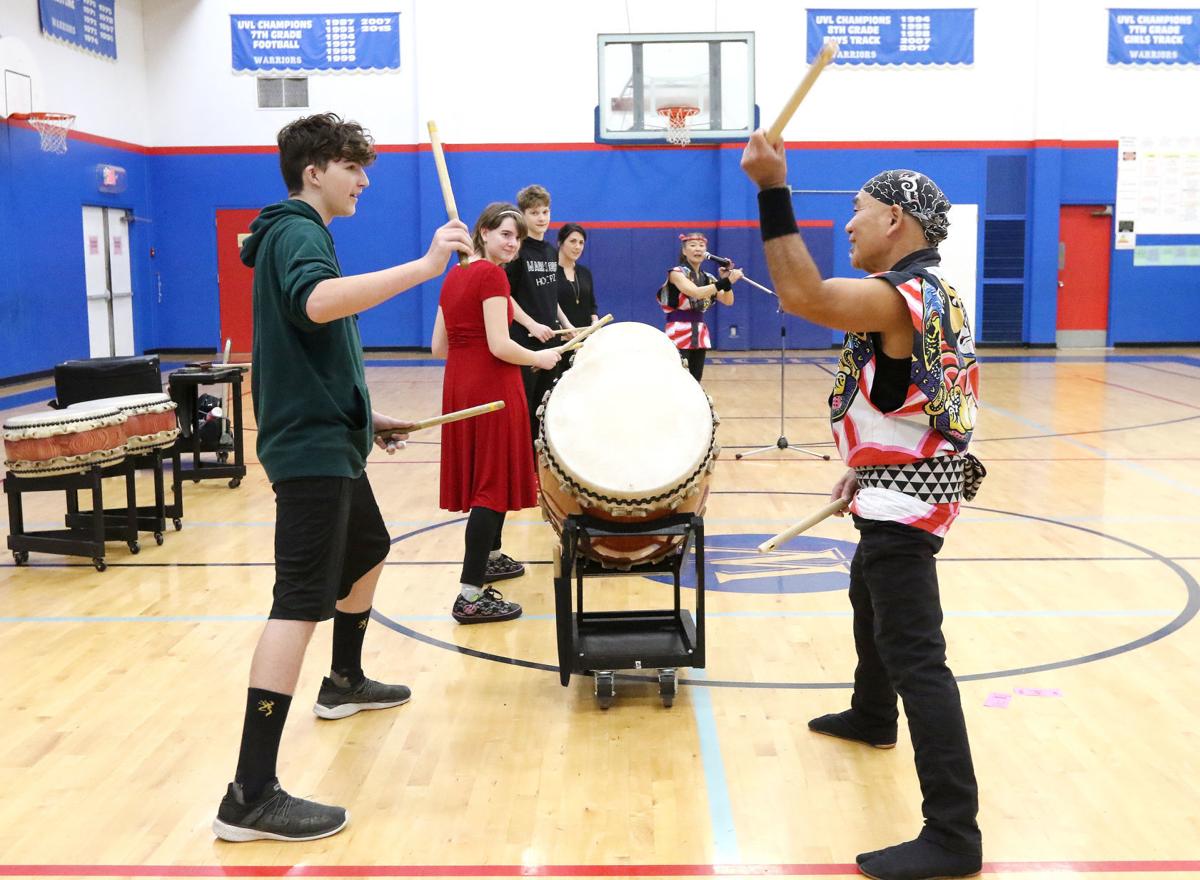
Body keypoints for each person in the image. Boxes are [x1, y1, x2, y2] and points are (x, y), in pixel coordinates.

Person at [213, 113, 472, 843]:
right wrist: (425, 270)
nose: (363, 180)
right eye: (352, 167)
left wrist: (368, 415)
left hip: (330, 436)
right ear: (314, 171)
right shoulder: (300, 230)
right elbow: (316, 304)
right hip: (310, 451)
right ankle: (250, 793)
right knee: (297, 603)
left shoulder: (289, 230)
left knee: (369, 547)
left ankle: (345, 681)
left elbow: (312, 350)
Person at [741, 131, 983, 880]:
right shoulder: (927, 291)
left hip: (909, 504)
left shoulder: (898, 296)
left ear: (896, 223)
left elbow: (802, 296)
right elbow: (913, 401)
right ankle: (872, 715)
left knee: (919, 656)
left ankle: (954, 832)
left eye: (857, 210)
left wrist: (771, 189)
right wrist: (865, 464)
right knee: (865, 594)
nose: (846, 224)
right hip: (904, 482)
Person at [432, 203, 561, 623]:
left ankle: (488, 558)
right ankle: (470, 594)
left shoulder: (455, 275)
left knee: (488, 477)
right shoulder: (490, 274)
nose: (513, 243)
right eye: (506, 234)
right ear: (483, 232)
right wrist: (540, 358)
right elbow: (501, 345)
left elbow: (440, 347)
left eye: (518, 237)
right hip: (492, 384)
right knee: (490, 485)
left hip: (461, 383)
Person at [505, 184, 574, 447]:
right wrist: (531, 324)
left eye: (545, 211)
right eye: (534, 212)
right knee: (525, 408)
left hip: (551, 340)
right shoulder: (516, 250)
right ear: (522, 215)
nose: (542, 217)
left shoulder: (549, 251)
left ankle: (540, 465)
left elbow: (550, 295)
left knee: (546, 407)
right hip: (524, 342)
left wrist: (565, 324)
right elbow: (504, 297)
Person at [658, 232, 741, 381]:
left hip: (699, 331)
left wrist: (725, 282)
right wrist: (725, 282)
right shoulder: (676, 273)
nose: (698, 249)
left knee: (696, 379)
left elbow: (728, 301)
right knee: (678, 378)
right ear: (684, 251)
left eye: (701, 246)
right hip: (678, 330)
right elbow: (695, 292)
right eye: (692, 245)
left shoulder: (709, 278)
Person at [555, 223, 598, 336]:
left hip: (585, 339)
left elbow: (592, 306)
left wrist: (595, 322)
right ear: (560, 243)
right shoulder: (549, 272)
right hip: (560, 339)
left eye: (581, 242)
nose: (578, 246)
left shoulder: (585, 273)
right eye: (573, 241)